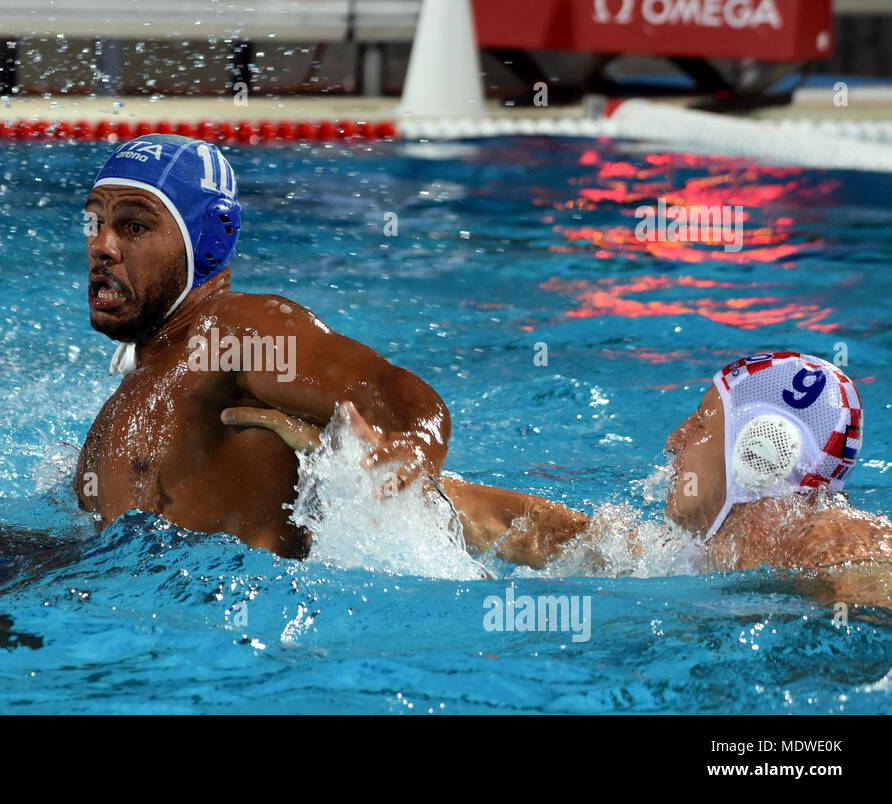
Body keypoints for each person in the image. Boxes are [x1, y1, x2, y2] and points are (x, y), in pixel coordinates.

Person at [75, 134, 490, 558]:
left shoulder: (231, 335)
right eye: (95, 223)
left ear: (209, 241)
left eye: (134, 227)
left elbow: (384, 387)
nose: (101, 247)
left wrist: (417, 442)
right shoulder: (109, 425)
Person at [226, 352, 892, 606]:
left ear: (760, 454)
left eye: (697, 424)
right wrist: (360, 462)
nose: (674, 441)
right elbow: (550, 536)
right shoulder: (702, 554)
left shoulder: (837, 548)